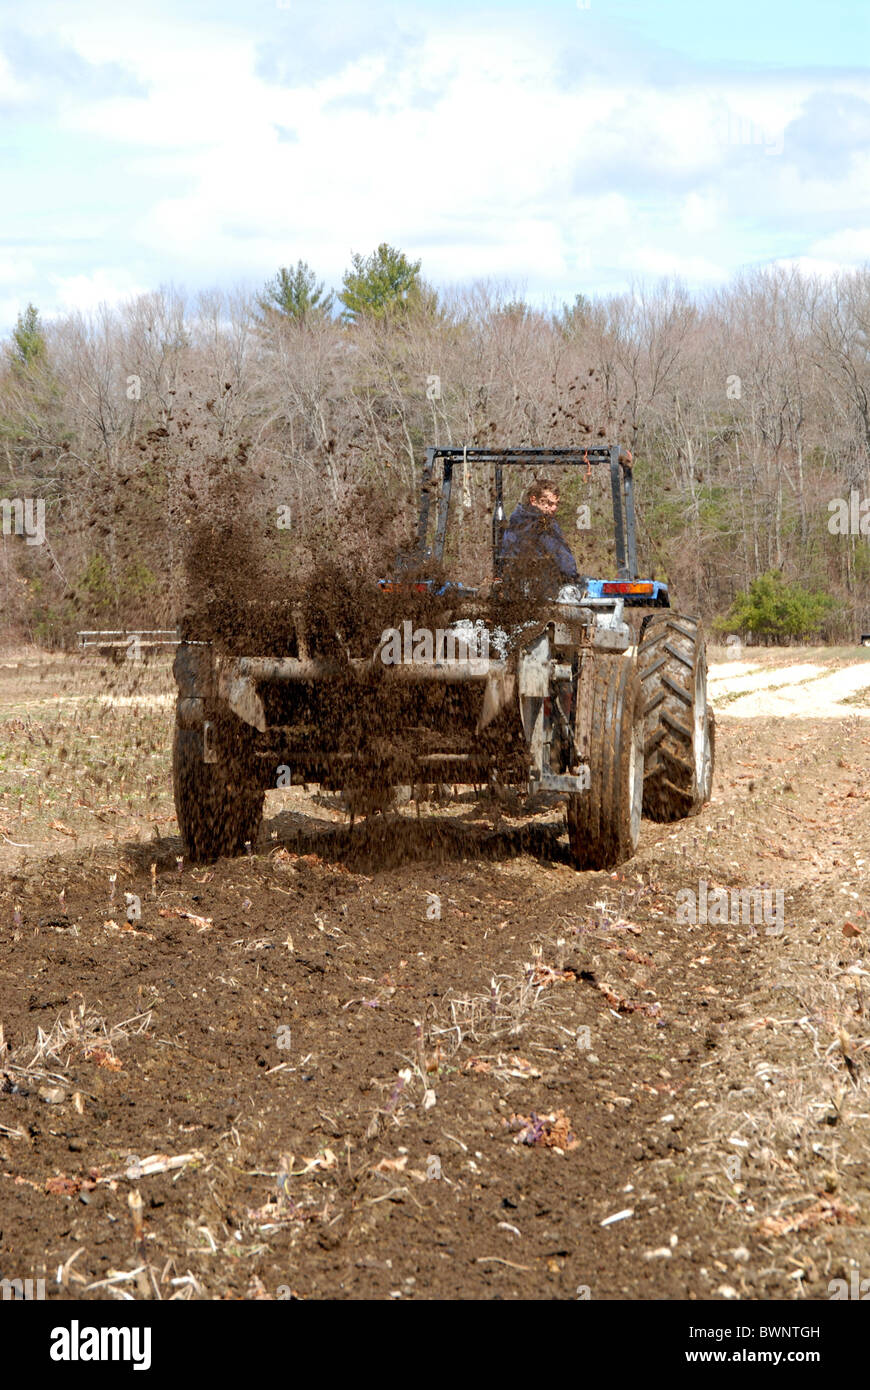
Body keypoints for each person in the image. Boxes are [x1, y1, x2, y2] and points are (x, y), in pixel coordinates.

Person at [499, 477, 581, 596]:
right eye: (549, 503)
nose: (554, 508)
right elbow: (564, 561)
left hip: (513, 591)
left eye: (556, 504)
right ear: (533, 500)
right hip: (544, 592)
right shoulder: (544, 524)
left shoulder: (514, 524)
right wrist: (575, 579)